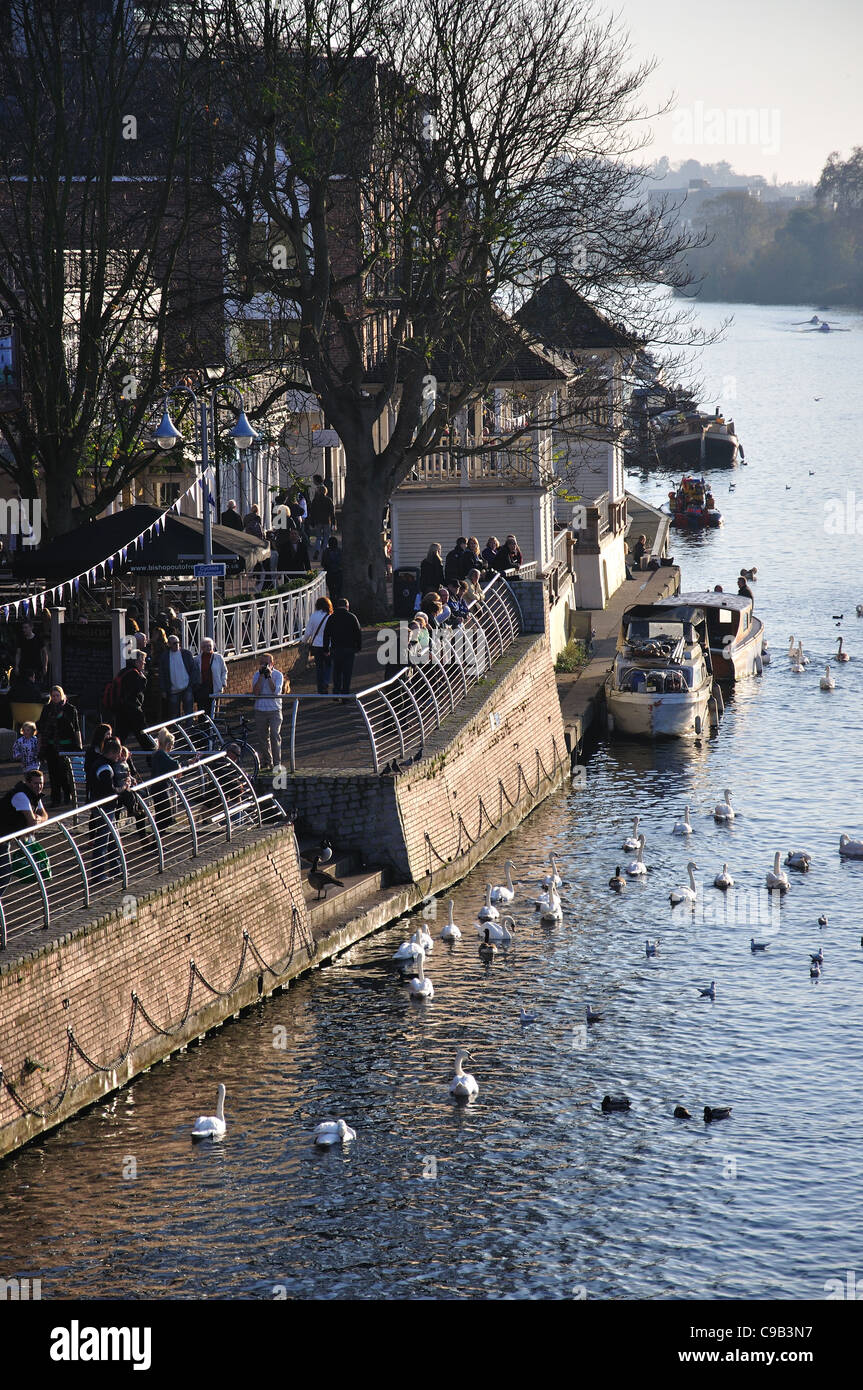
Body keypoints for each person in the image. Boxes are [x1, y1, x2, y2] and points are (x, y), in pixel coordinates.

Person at [0, 767, 49, 891]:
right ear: (28, 783)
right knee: (5, 873)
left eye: (41, 783)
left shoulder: (34, 795)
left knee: (5, 873)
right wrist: (37, 820)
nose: (39, 786)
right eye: (36, 783)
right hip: (2, 835)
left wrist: (38, 819)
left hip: (6, 836)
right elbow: (31, 821)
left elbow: (45, 815)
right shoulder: (21, 795)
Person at [37, 684, 82, 805]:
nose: (55, 698)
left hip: (66, 745)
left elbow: (76, 729)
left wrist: (79, 746)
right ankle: (55, 798)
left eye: (57, 695)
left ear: (62, 695)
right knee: (53, 774)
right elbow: (41, 728)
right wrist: (40, 747)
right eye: (53, 696)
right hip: (51, 745)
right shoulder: (47, 709)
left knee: (64, 773)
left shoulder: (70, 709)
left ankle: (67, 795)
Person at [116, 650, 156, 750]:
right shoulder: (135, 675)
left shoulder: (123, 672)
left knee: (120, 737)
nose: (144, 663)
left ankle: (113, 756)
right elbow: (138, 693)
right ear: (137, 661)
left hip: (121, 710)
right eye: (143, 660)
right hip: (133, 711)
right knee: (144, 737)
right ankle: (153, 758)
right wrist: (144, 678)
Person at [323, 598, 362, 700]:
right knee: (347, 673)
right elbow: (358, 633)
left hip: (336, 649)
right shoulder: (352, 617)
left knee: (337, 672)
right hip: (349, 649)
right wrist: (358, 647)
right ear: (347, 606)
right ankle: (345, 695)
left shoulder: (332, 618)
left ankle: (336, 692)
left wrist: (326, 649)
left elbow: (326, 635)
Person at [252, 653, 285, 772]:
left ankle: (277, 763)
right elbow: (255, 692)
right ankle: (267, 761)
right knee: (262, 737)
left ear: (272, 664)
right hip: (260, 709)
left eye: (267, 663)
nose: (265, 666)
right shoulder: (256, 675)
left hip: (274, 709)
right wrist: (261, 677)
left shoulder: (278, 675)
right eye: (262, 663)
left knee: (275, 735)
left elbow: (275, 692)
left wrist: (269, 676)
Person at [150, 727, 180, 836]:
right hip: (160, 788)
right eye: (171, 746)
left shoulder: (158, 754)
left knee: (162, 815)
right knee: (165, 815)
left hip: (160, 788)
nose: (171, 748)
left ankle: (157, 841)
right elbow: (174, 764)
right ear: (167, 744)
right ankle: (156, 841)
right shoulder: (161, 754)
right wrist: (184, 763)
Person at [159, 633, 197, 717]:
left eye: (178, 642)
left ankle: (189, 728)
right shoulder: (164, 657)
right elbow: (162, 674)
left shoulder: (186, 654)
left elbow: (193, 669)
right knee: (174, 713)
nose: (177, 645)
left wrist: (191, 684)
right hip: (173, 689)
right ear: (169, 644)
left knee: (189, 711)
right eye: (174, 643)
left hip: (186, 687)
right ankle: (177, 729)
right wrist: (163, 690)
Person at [302, 596, 334, 694]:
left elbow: (308, 632)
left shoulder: (314, 616)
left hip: (316, 645)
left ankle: (320, 688)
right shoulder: (330, 616)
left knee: (319, 667)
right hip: (328, 645)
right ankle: (326, 682)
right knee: (328, 665)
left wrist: (304, 642)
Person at [195, 637, 228, 713]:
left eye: (210, 646)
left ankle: (213, 723)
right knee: (202, 708)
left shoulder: (218, 657)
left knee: (214, 708)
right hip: (202, 687)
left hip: (214, 686)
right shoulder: (197, 659)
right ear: (202, 648)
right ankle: (203, 724)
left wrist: (223, 683)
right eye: (206, 646)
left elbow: (224, 671)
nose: (208, 648)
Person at [14, 620, 47, 685]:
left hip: (36, 666)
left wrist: (45, 666)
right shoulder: (21, 639)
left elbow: (44, 653)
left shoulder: (38, 638)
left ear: (31, 627)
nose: (24, 630)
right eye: (23, 628)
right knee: (24, 685)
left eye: (26, 627)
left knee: (36, 685)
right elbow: (18, 653)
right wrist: (17, 666)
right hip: (24, 667)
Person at [308, 482, 336, 560]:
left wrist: (312, 521)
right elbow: (332, 512)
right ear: (325, 491)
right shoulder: (328, 500)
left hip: (317, 521)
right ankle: (324, 551)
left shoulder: (315, 500)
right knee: (326, 536)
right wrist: (334, 522)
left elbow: (312, 512)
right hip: (327, 520)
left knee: (318, 537)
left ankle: (317, 550)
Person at [320, 535, 343, 602]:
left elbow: (323, 563)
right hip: (338, 573)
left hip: (330, 573)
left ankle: (333, 604)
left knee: (332, 591)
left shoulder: (326, 551)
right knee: (338, 592)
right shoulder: (340, 551)